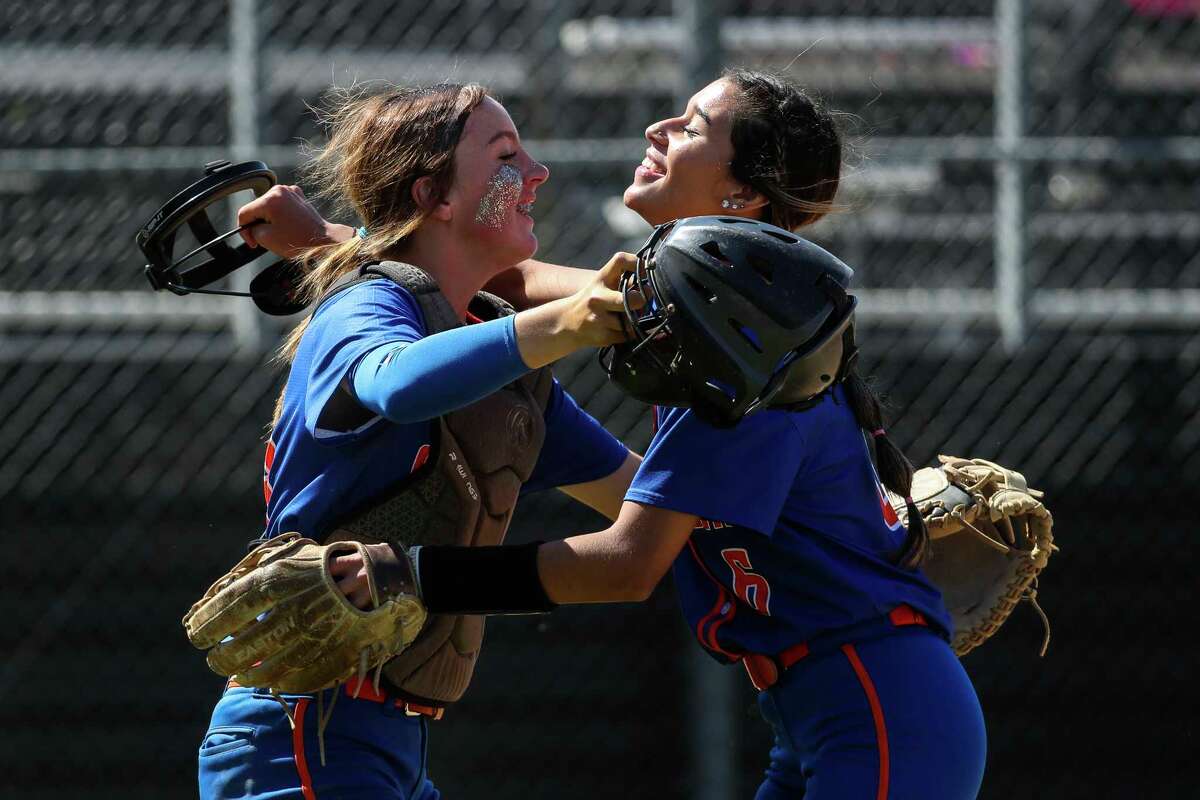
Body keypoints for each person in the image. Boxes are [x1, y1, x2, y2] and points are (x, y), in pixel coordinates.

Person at [225, 70, 987, 798]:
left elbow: (630, 559)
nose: (658, 127)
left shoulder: (746, 347)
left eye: (690, 127)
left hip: (876, 701)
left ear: (742, 193)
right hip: (825, 708)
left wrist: (416, 574)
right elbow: (474, 281)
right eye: (504, 153)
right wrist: (337, 241)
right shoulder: (724, 325)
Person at [196, 82, 643, 800]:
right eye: (505, 155)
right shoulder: (369, 303)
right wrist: (566, 324)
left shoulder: (497, 359)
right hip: (303, 734)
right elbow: (395, 382)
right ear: (435, 195)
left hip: (386, 742)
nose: (537, 171)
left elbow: (638, 502)